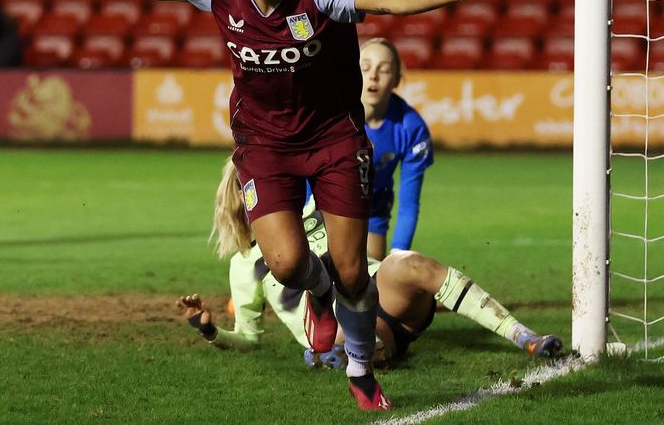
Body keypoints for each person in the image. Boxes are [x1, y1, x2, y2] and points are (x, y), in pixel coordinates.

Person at [67, 0, 498, 410]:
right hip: (265, 144)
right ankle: (318, 298)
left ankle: (360, 370)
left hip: (334, 138)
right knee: (289, 264)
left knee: (352, 270)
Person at [176, 158, 562, 373]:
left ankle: (524, 336)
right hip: (346, 330)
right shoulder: (244, 265)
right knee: (337, 331)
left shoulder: (313, 210)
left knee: (406, 262)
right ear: (239, 202)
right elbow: (250, 339)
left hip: (380, 294)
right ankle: (349, 354)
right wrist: (210, 331)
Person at [359, 38, 433, 259]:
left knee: (370, 284)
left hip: (371, 208)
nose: (373, 76)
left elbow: (409, 205)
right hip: (318, 205)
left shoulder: (412, 128)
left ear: (396, 79)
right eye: (365, 67)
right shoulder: (330, 114)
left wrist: (398, 256)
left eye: (384, 70)